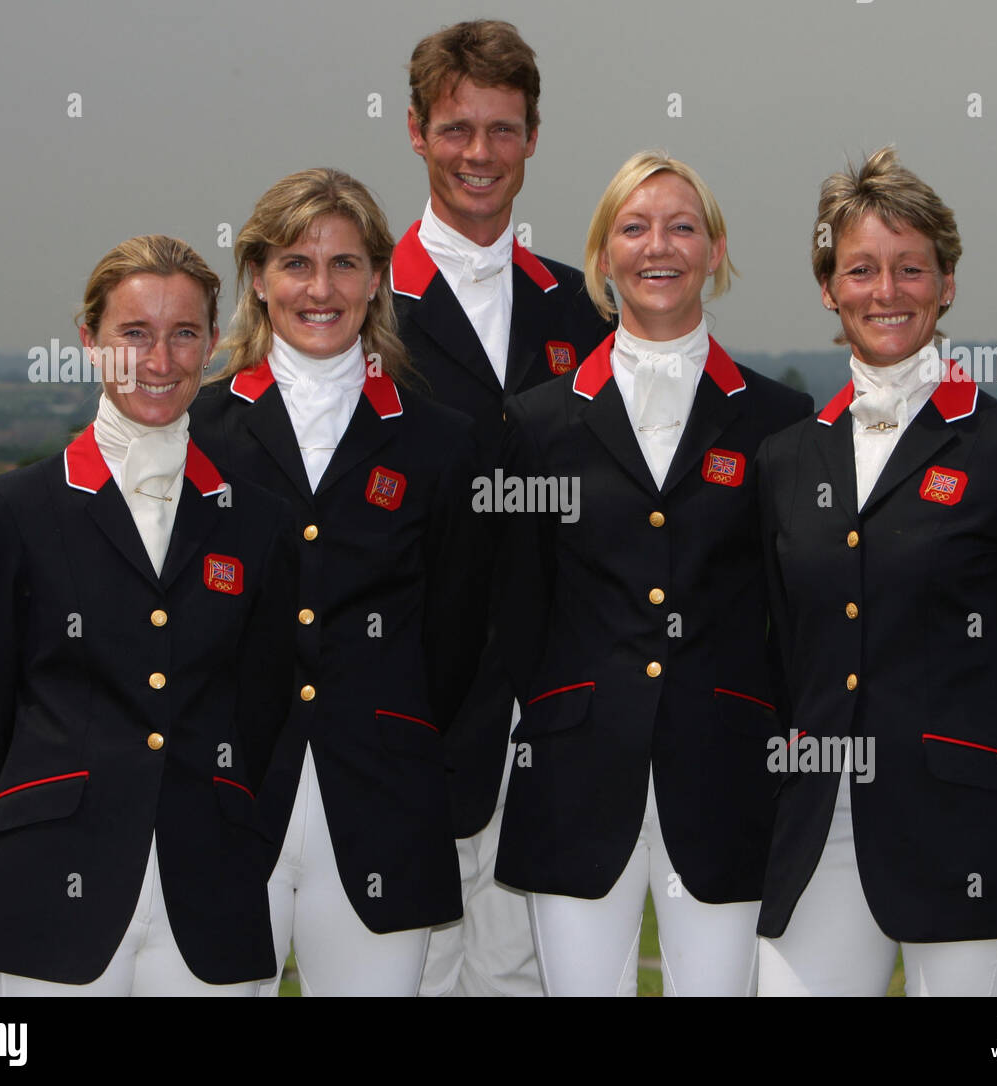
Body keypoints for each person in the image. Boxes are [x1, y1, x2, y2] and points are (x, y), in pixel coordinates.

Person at [754, 147, 997, 996]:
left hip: (970, 829)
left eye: (911, 268)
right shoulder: (785, 458)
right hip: (816, 829)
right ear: (829, 288)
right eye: (861, 269)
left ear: (946, 284)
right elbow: (781, 650)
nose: (886, 291)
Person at [0, 235, 297, 995]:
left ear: (214, 344)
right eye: (134, 334)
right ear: (90, 344)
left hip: (210, 893)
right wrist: (30, 828)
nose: (159, 360)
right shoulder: (13, 512)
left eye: (184, 333)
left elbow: (266, 705)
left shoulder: (259, 521)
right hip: (47, 889)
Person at [493, 151, 812, 996]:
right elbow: (516, 605)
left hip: (729, 770)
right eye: (633, 227)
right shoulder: (535, 422)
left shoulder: (780, 421)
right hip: (573, 772)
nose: (657, 245)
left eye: (681, 226)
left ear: (714, 250)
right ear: (603, 256)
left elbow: (797, 608)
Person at [190, 168, 488, 996]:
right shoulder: (198, 431)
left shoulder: (439, 442)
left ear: (378, 279)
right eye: (295, 263)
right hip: (227, 798)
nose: (320, 289)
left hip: (384, 802)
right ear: (257, 277)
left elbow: (455, 638)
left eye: (345, 265)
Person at [398, 18, 613, 999]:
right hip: (407, 711)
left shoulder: (585, 312)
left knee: (527, 980)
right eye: (456, 129)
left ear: (532, 138)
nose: (478, 153)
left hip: (550, 717)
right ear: (415, 133)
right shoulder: (349, 309)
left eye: (501, 129)